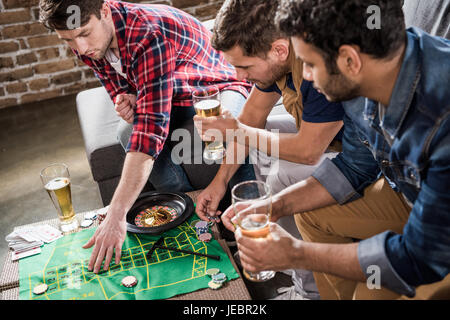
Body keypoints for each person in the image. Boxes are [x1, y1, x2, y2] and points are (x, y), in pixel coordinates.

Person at [222, 0, 450, 300]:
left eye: (311, 64)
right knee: (309, 214)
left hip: (435, 243)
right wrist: (273, 206)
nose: (305, 76)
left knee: (367, 295)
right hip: (410, 194)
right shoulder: (364, 83)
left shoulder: (440, 122)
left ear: (349, 60)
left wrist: (296, 254)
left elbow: (421, 258)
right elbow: (356, 166)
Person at [38, 0, 254, 273]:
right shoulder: (91, 41)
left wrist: (116, 215)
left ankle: (252, 227)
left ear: (104, 11)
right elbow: (123, 88)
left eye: (83, 34)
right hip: (175, 89)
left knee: (227, 129)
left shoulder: (148, 34)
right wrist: (126, 98)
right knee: (126, 131)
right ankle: (187, 216)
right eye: (68, 39)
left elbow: (150, 132)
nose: (80, 48)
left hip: (217, 84)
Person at [193, 0, 345, 300]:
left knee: (284, 174)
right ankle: (284, 264)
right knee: (261, 139)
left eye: (245, 66)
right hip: (330, 139)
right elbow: (250, 121)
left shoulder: (317, 61)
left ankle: (310, 291)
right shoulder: (278, 61)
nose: (239, 76)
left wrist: (237, 130)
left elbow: (308, 152)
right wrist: (219, 181)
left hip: (367, 155)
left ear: (279, 49)